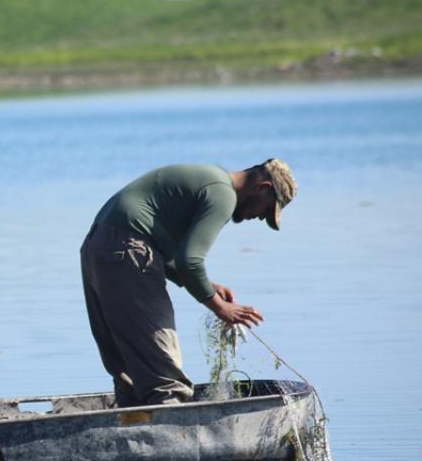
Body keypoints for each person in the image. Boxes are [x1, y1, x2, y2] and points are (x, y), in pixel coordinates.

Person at [80, 159, 296, 407]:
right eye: (267, 209)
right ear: (263, 187)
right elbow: (190, 262)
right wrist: (220, 307)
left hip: (98, 247)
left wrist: (207, 286)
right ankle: (173, 421)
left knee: (129, 371)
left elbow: (157, 243)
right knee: (163, 374)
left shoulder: (210, 178)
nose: (259, 217)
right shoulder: (223, 193)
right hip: (126, 250)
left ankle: (133, 421)